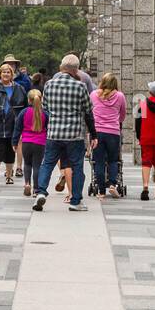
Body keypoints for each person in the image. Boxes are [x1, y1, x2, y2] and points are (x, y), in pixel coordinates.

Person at [33, 54, 98, 213]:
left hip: (54, 133)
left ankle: (41, 192)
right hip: (74, 134)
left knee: (47, 164)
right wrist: (93, 135)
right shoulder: (80, 86)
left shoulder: (49, 85)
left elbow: (46, 109)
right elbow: (88, 112)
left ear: (62, 67)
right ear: (75, 70)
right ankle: (75, 201)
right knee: (76, 167)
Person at [0, 62, 27, 184]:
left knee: (9, 151)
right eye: (4, 72)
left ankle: (9, 176)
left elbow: (25, 108)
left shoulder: (19, 88)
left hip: (13, 125)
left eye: (8, 72)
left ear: (12, 74)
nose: (6, 74)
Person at [90, 73, 127, 200]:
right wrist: (117, 120)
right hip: (113, 133)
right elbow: (122, 115)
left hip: (97, 132)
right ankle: (112, 184)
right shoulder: (120, 96)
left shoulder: (94, 95)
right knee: (113, 160)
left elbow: (90, 111)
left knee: (99, 161)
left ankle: (101, 190)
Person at [13, 89, 47, 197]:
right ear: (41, 99)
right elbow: (49, 128)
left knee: (27, 164)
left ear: (29, 100)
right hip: (40, 142)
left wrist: (14, 142)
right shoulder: (45, 113)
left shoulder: (24, 112)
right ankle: (36, 189)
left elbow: (17, 128)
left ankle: (27, 184)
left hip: (26, 142)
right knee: (37, 166)